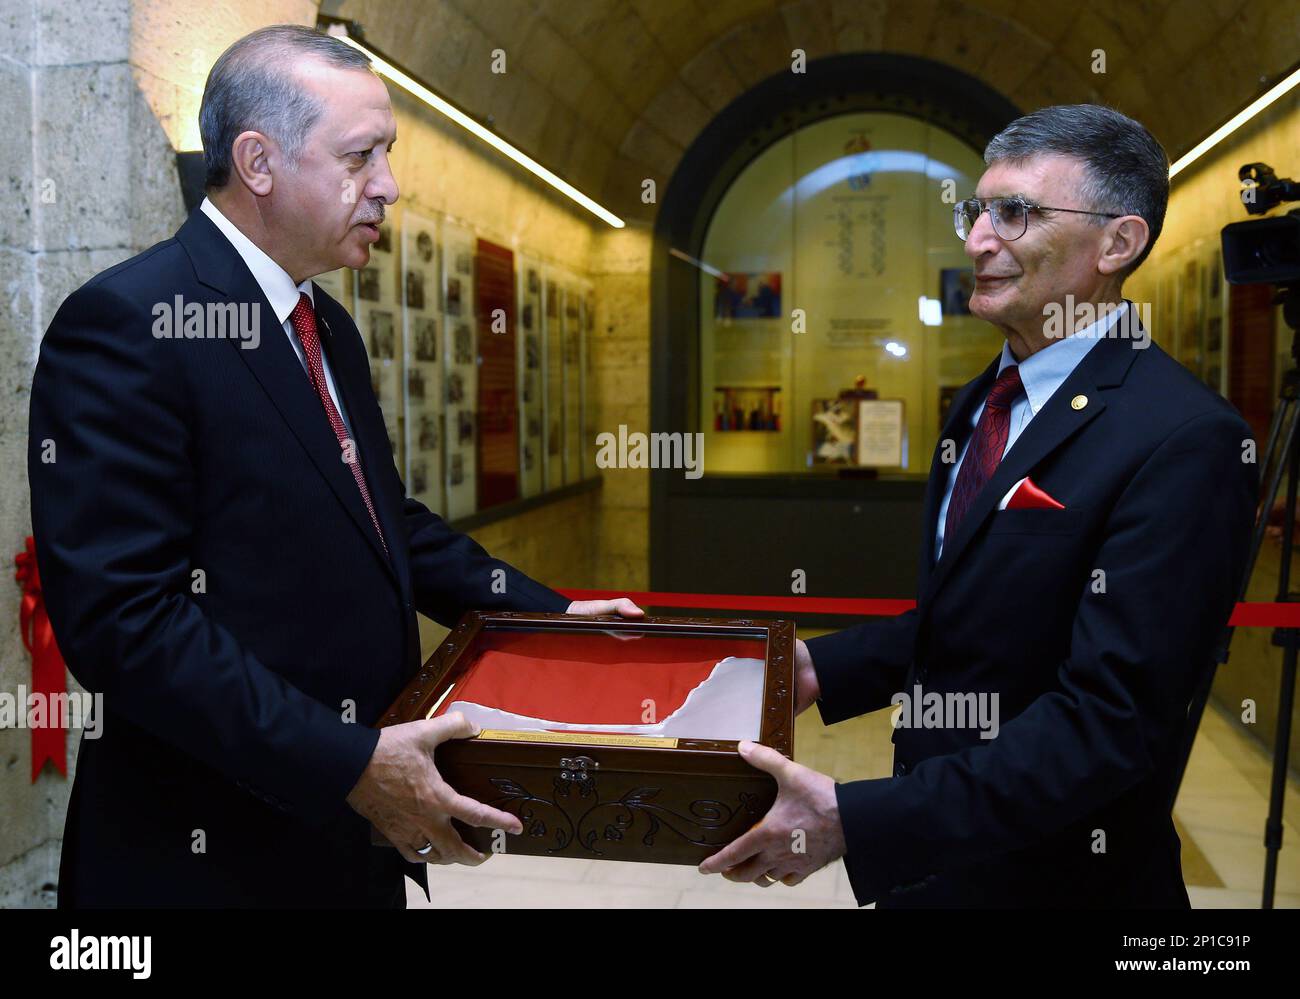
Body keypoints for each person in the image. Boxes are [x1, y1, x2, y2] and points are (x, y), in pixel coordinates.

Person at [27, 24, 640, 908]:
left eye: (387, 154)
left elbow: (384, 522)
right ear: (258, 160)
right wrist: (350, 761)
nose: (388, 187)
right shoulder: (130, 324)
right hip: (206, 857)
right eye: (360, 157)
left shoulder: (327, 329)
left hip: (347, 839)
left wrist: (551, 617)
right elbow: (126, 624)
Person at [700, 104, 1257, 907]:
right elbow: (975, 622)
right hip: (941, 863)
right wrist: (818, 667)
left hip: (1061, 886)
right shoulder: (985, 402)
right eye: (977, 210)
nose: (976, 240)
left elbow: (1107, 723)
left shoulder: (1185, 440)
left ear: (1118, 243)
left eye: (1017, 212)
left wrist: (854, 819)